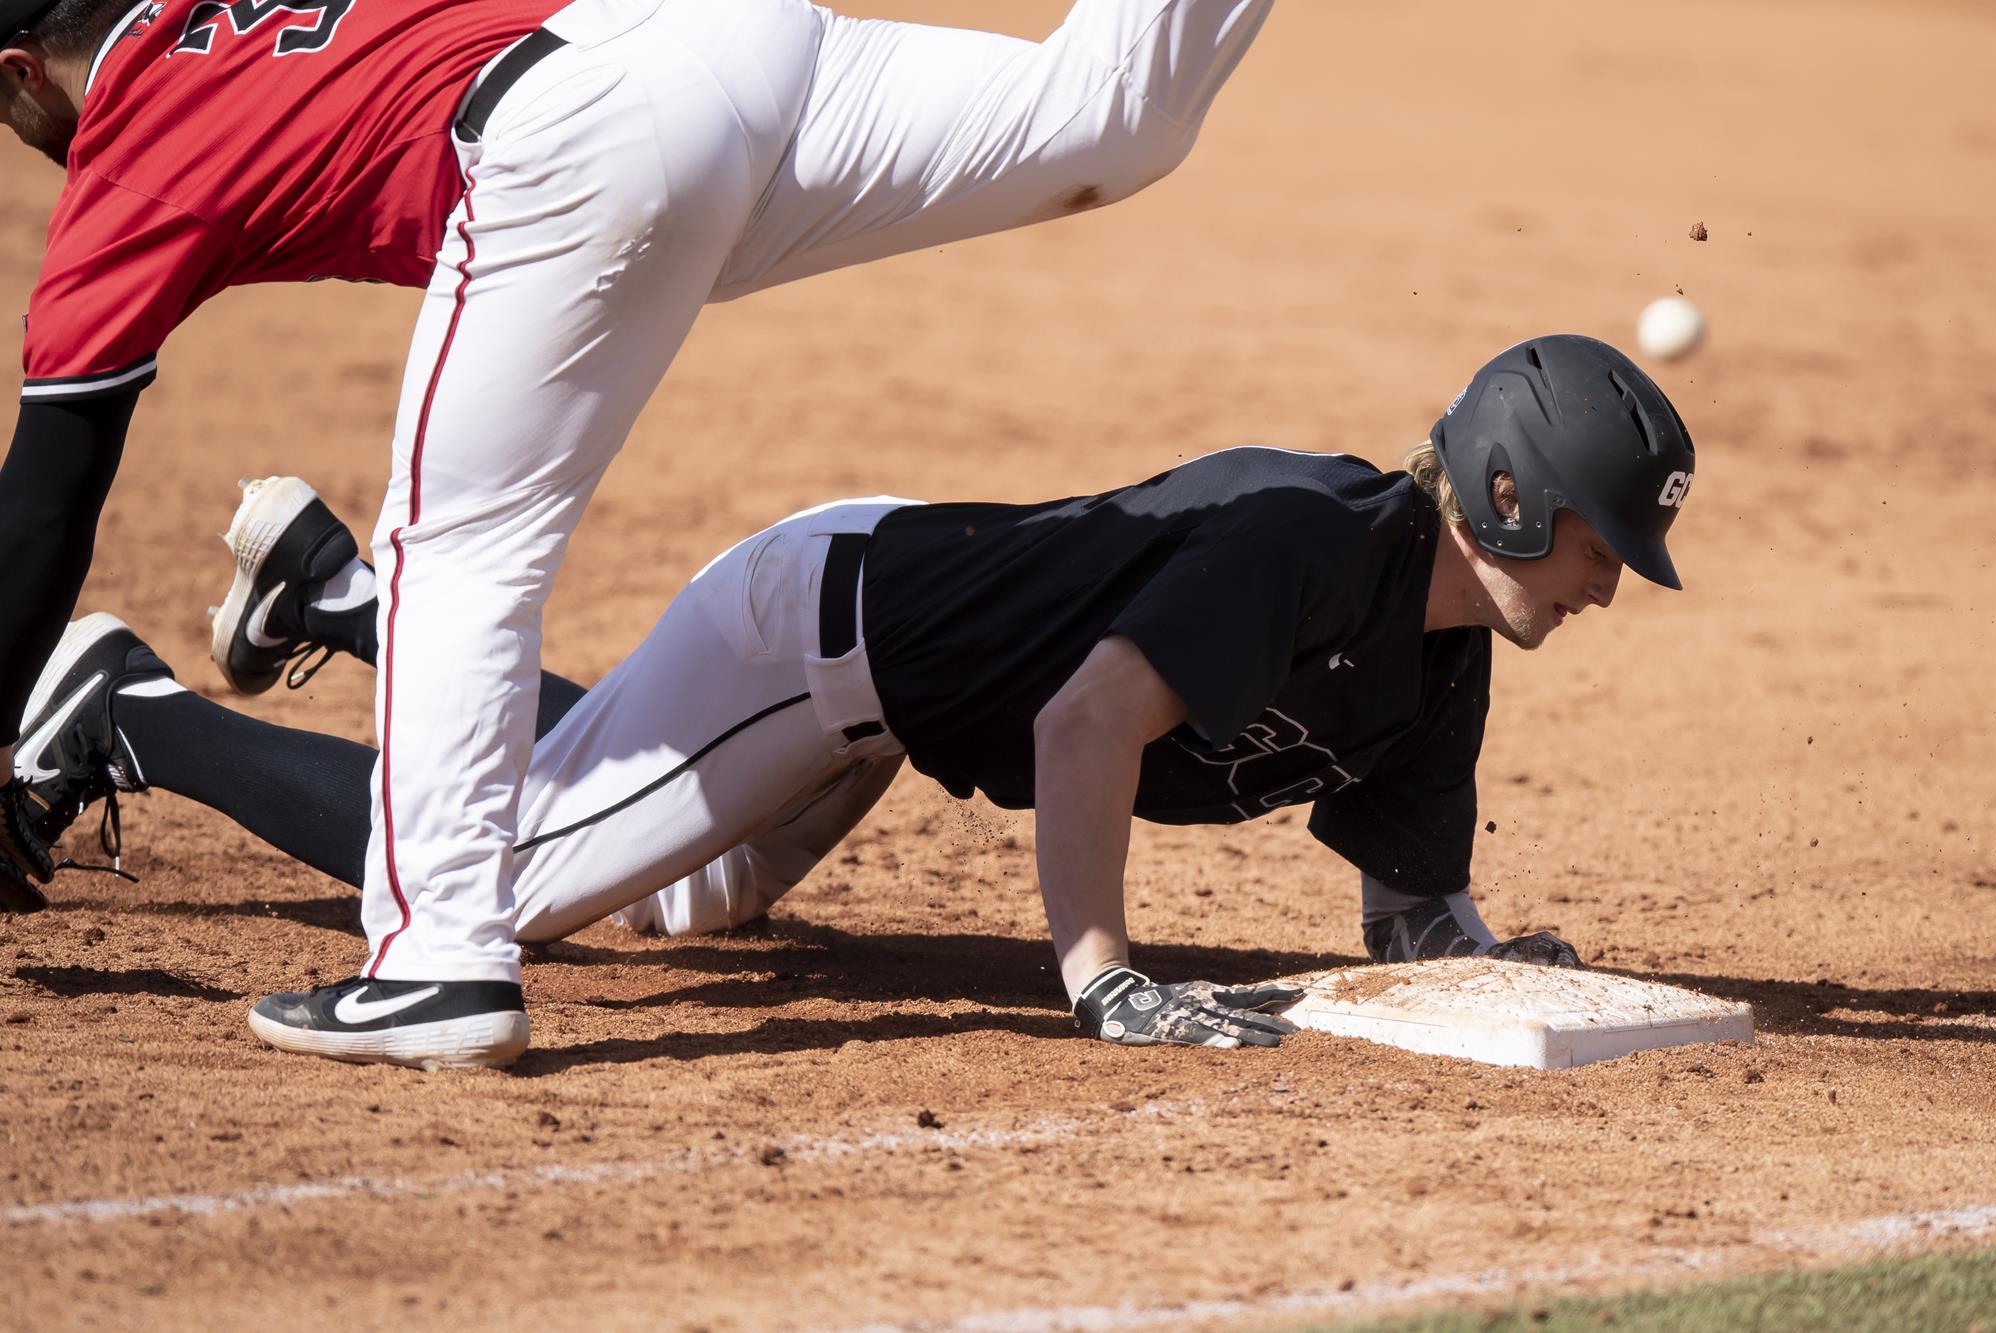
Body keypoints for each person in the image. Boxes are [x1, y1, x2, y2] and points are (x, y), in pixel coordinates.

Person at [0, 0, 1278, 1066]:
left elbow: (47, 503)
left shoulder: (132, 153)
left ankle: (437, 957)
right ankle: (332, 605)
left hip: (575, 130)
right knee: (1099, 112)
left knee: (457, 548)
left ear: (21, 71)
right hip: (721, 39)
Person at [5, 334, 1696, 1068]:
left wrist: (1473, 954)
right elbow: (1082, 726)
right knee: (487, 888)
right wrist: (1104, 978)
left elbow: (1412, 910)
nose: (1607, 584)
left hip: (890, 687)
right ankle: (127, 703)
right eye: (1595, 543)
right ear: (1503, 495)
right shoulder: (1304, 543)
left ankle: (338, 594)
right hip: (824, 640)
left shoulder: (1444, 653)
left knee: (670, 874)